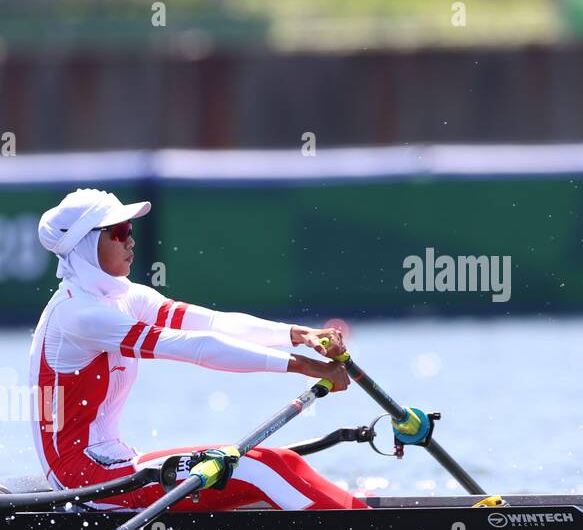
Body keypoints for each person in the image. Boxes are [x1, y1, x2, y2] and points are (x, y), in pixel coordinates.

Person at [31, 188, 367, 511]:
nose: (130, 239)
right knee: (261, 469)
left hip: (115, 462)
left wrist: (296, 333)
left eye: (130, 229)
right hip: (84, 482)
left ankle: (360, 517)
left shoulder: (125, 296)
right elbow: (198, 348)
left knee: (283, 461)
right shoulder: (79, 315)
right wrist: (307, 367)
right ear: (87, 244)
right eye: (118, 232)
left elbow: (213, 324)